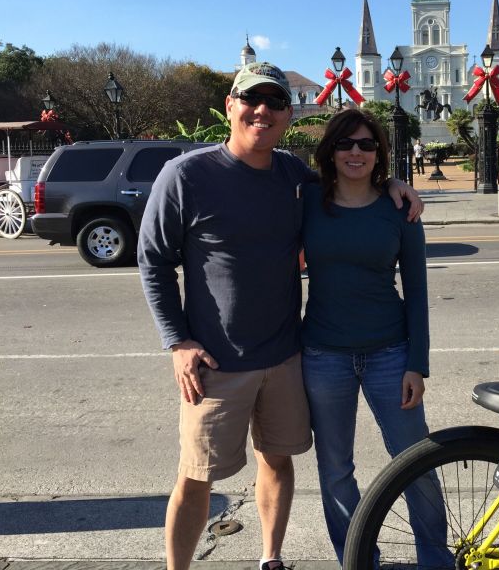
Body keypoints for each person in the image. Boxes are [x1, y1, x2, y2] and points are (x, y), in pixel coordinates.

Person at [137, 62, 422, 570]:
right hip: (215, 362)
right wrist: (176, 341)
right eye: (252, 100)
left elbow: (350, 172)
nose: (262, 111)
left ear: (289, 115)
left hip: (288, 355)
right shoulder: (187, 175)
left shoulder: (294, 177)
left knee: (278, 459)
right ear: (231, 105)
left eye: (275, 103)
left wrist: (395, 182)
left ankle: (272, 557)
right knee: (196, 474)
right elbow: (153, 261)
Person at [300, 108, 451, 567]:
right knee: (335, 469)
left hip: (390, 353)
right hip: (324, 356)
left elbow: (419, 290)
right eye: (346, 143)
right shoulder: (306, 201)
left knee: (415, 461)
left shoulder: (399, 208)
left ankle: (433, 556)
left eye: (367, 144)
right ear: (330, 151)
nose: (356, 152)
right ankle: (357, 557)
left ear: (379, 154)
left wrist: (417, 364)